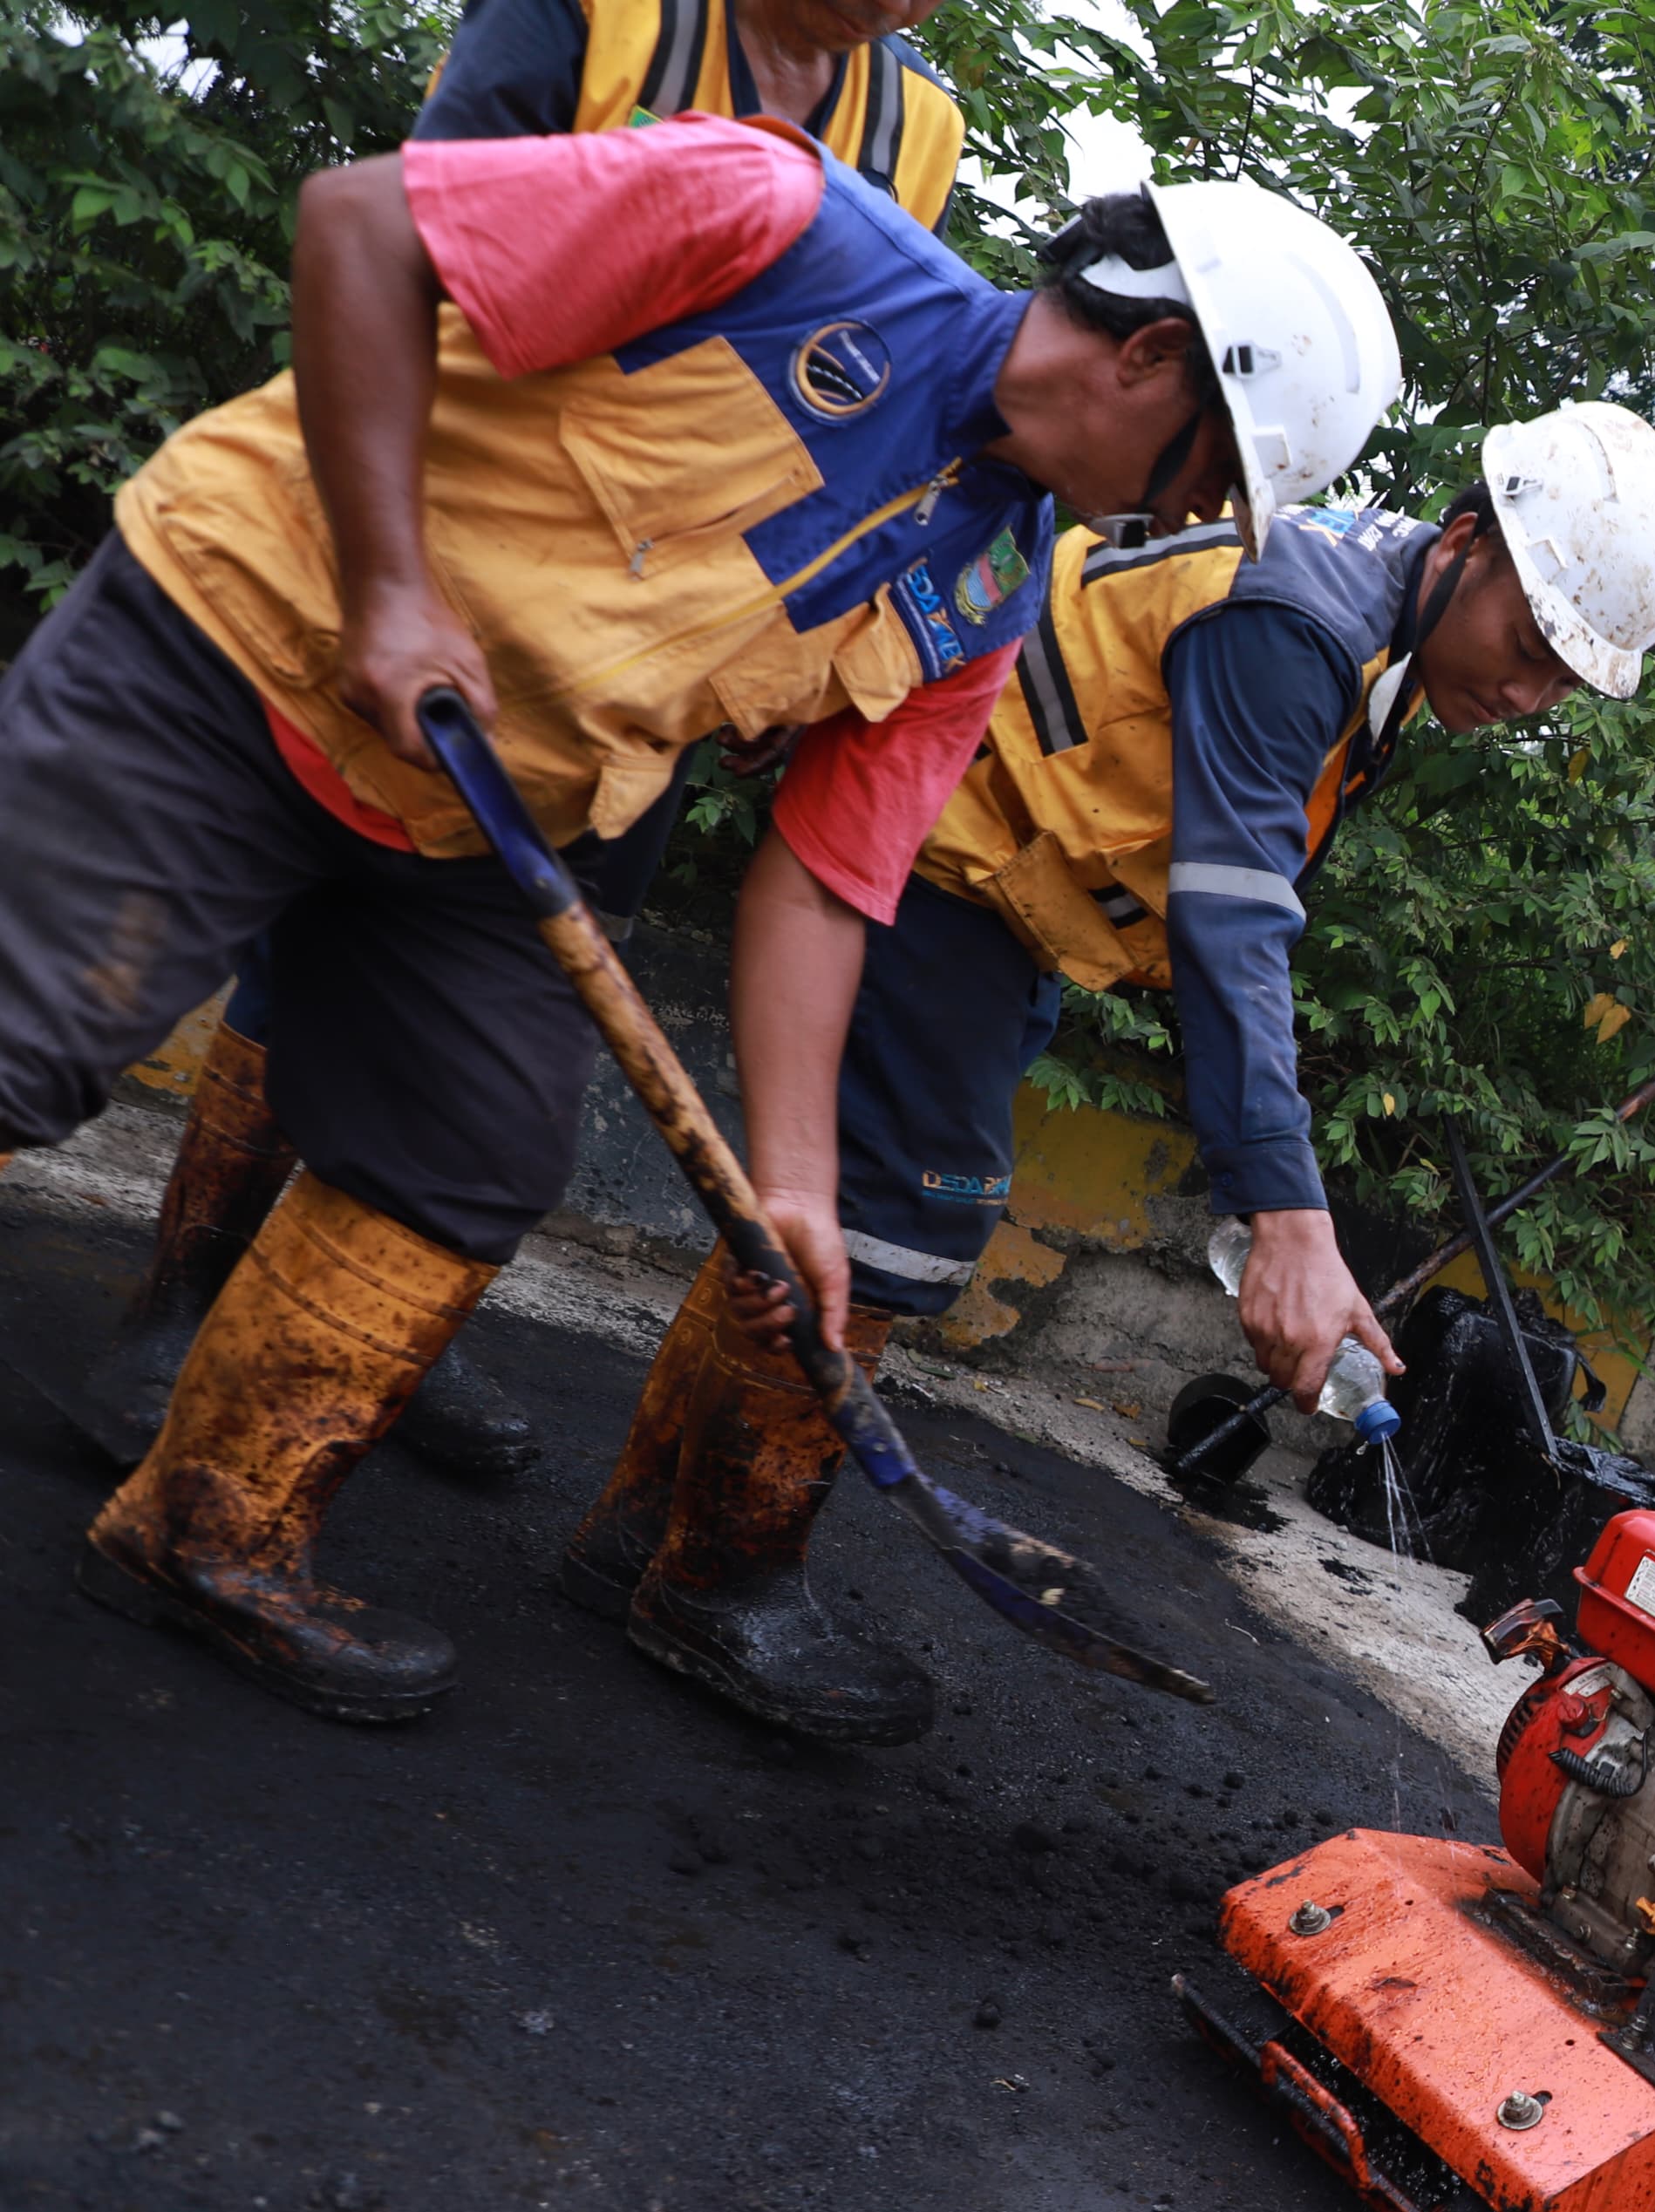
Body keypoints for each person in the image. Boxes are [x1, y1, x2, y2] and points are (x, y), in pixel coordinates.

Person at [0, 117, 1297, 1724]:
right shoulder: (783, 223)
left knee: (467, 1154)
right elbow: (361, 227)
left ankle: (204, 1531)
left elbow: (825, 876)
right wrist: (392, 583)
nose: (1187, 519)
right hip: (245, 639)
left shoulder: (989, 589)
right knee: (29, 1038)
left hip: (484, 813)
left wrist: (796, 1191)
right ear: (1152, 359)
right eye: (1210, 474)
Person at [559, 399, 1655, 1745]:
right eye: (1527, 646)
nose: (1527, 693)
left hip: (1007, 873)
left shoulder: (1372, 622)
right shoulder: (1302, 624)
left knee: (856, 1213)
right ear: (1465, 543)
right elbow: (1235, 913)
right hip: (947, 834)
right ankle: (720, 1577)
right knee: (890, 1220)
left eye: (1565, 680)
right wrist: (1288, 1219)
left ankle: (643, 1527)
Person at [65, 0, 974, 1481]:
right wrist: (396, 581)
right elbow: (421, 248)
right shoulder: (600, 15)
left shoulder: (912, 124)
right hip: (433, 535)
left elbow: (861, 404)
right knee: (307, 937)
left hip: (635, 634)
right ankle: (184, 1295)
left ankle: (345, 1328)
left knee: (492, 1041)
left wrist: (779, 647)